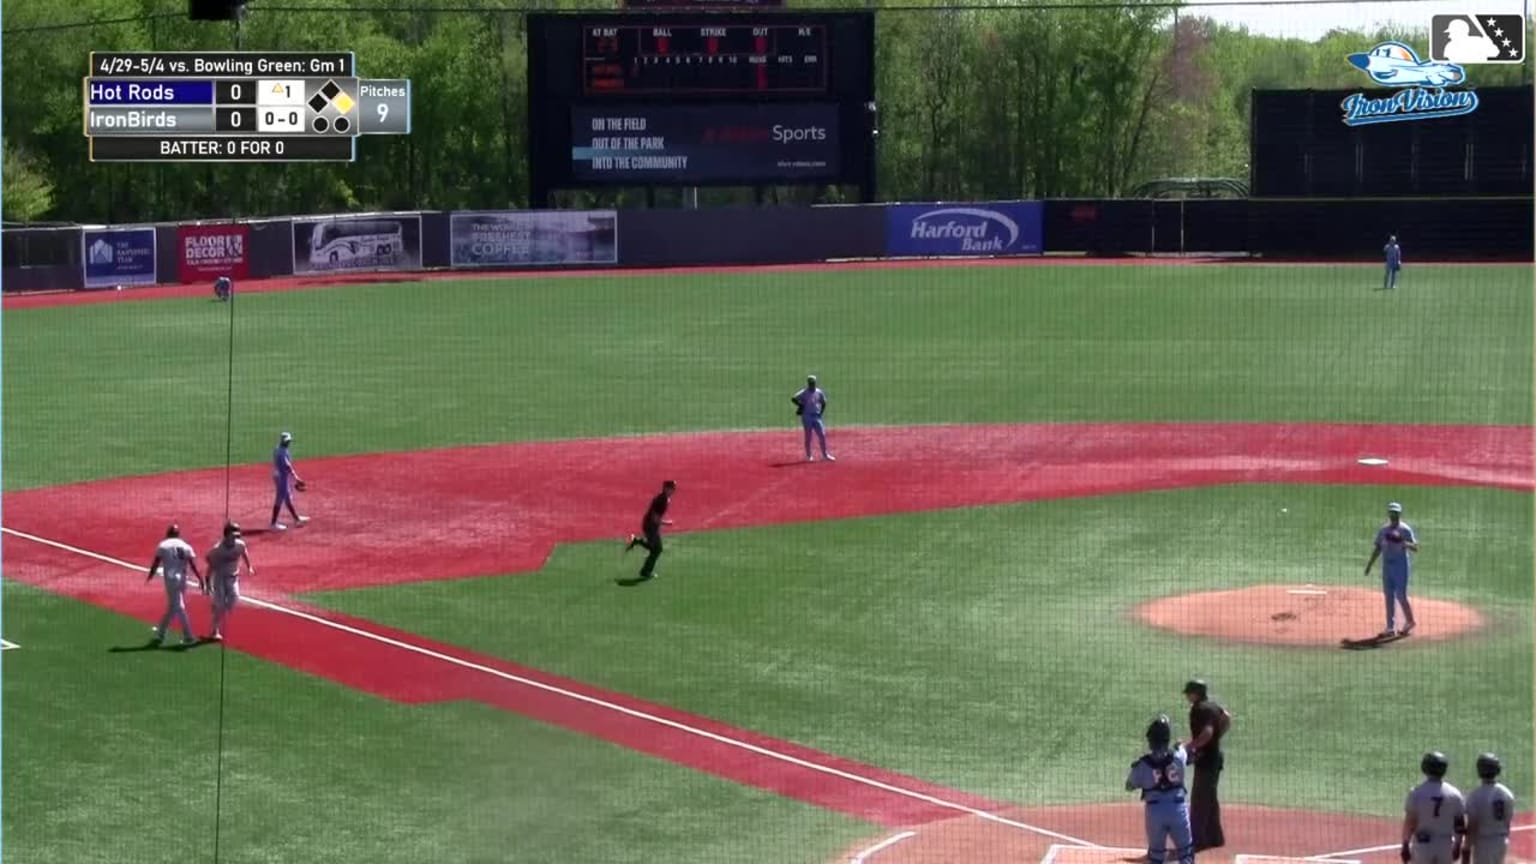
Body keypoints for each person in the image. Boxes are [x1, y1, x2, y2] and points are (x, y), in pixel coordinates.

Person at [1125, 714, 1195, 864]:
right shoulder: (1178, 756)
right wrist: (1179, 746)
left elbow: (1129, 786)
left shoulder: (1142, 765)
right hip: (1177, 810)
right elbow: (1187, 754)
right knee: (1186, 853)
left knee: (1156, 856)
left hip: (1154, 812)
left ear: (1150, 741)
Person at [1182, 679, 1231, 852]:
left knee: (1200, 799)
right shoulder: (1211, 706)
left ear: (1196, 693)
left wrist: (1189, 747)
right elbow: (1226, 717)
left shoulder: (1200, 709)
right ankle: (1215, 837)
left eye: (1189, 692)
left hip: (1207, 761)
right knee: (1209, 798)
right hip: (1214, 758)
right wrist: (1217, 737)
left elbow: (1207, 733)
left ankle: (1198, 840)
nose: (1187, 696)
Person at [1365, 502, 1419, 637]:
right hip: (1387, 566)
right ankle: (1390, 627)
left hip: (1401, 565)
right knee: (1388, 595)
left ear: (1399, 514)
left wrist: (1403, 542)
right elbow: (1378, 548)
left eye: (1395, 513)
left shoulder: (1405, 529)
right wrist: (1369, 565)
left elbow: (1415, 548)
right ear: (1389, 514)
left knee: (1400, 594)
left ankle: (1410, 621)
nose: (1393, 515)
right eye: (1391, 512)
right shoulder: (1383, 530)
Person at [1403, 751, 1466, 864]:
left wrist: (1405, 844)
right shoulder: (1454, 794)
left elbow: (1410, 822)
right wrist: (1458, 845)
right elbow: (1460, 825)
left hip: (1423, 846)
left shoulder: (1416, 793)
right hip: (1445, 845)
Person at [146, 523, 201, 646]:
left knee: (179, 607)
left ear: (168, 534)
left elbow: (156, 562)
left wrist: (150, 575)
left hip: (171, 580)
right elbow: (193, 564)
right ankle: (161, 632)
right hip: (183, 579)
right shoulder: (185, 546)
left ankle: (188, 636)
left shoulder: (163, 545)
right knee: (172, 606)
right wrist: (200, 578)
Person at [1462, 753, 1516, 864]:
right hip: (1501, 841)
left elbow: (1473, 825)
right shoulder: (1507, 793)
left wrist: (1466, 847)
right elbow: (1508, 820)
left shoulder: (1475, 796)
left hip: (1484, 843)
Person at [205, 522, 254, 641]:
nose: (236, 538)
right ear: (226, 535)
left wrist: (249, 567)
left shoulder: (240, 545)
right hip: (220, 578)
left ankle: (217, 607)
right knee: (221, 605)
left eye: (237, 535)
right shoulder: (218, 549)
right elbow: (210, 565)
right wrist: (207, 583)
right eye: (234, 535)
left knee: (233, 599)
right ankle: (214, 631)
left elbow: (244, 553)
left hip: (233, 577)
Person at [625, 480, 676, 581]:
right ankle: (645, 571)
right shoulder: (662, 500)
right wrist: (666, 523)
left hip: (650, 524)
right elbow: (654, 518)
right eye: (672, 488)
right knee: (657, 549)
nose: (673, 491)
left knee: (654, 548)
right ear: (666, 488)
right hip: (650, 525)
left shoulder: (663, 498)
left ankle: (637, 541)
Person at [270, 431, 309, 531]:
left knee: (286, 498)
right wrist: (296, 478)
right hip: (281, 478)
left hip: (279, 475)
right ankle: (273, 524)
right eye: (287, 441)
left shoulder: (278, 449)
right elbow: (288, 466)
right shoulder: (282, 452)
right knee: (280, 499)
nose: (288, 443)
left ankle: (296, 519)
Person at [791, 375, 835, 463]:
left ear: (815, 383)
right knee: (808, 436)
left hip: (816, 416)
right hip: (807, 416)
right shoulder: (804, 392)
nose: (812, 385)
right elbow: (794, 398)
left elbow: (823, 402)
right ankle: (809, 456)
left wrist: (821, 412)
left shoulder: (819, 392)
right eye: (810, 383)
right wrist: (801, 405)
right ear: (808, 383)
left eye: (813, 383)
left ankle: (825, 455)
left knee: (822, 435)